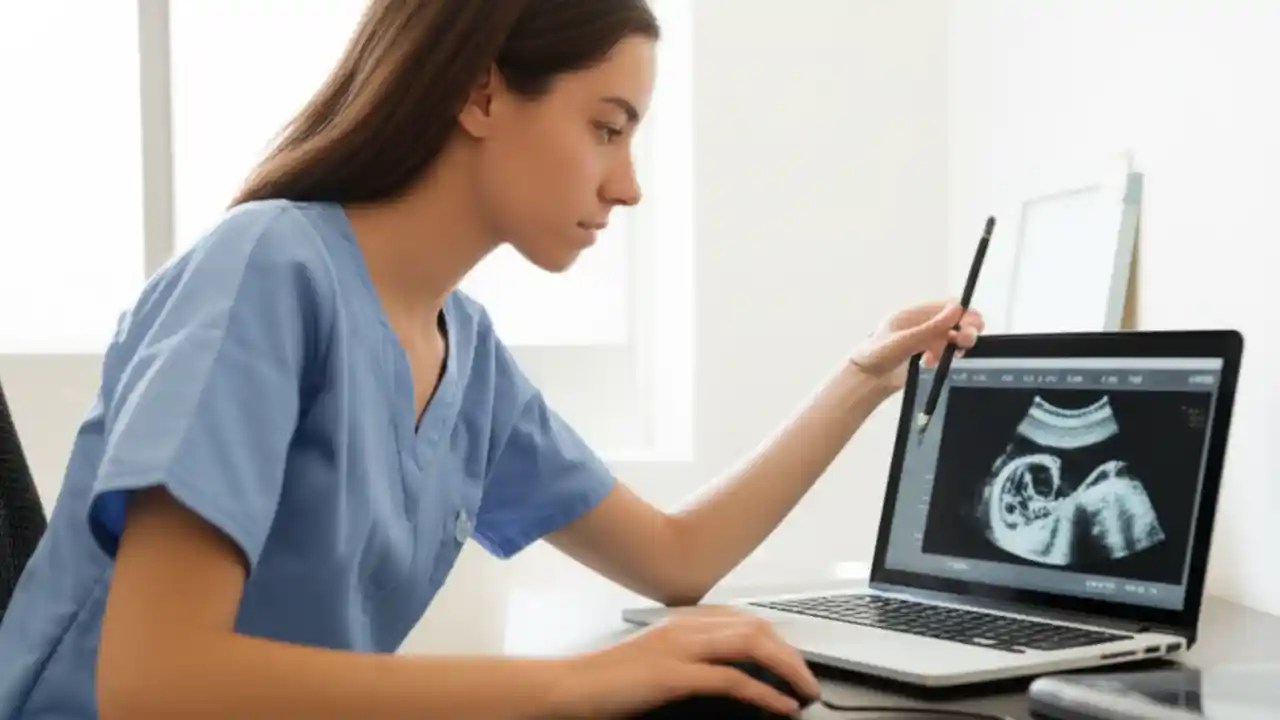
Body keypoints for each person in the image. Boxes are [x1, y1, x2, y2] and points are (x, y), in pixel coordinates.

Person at [0, 1, 983, 717]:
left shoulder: (464, 357)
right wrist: (574, 685)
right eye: (606, 128)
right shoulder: (266, 272)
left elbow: (673, 558)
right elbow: (154, 682)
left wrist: (862, 380)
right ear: (479, 92)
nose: (629, 185)